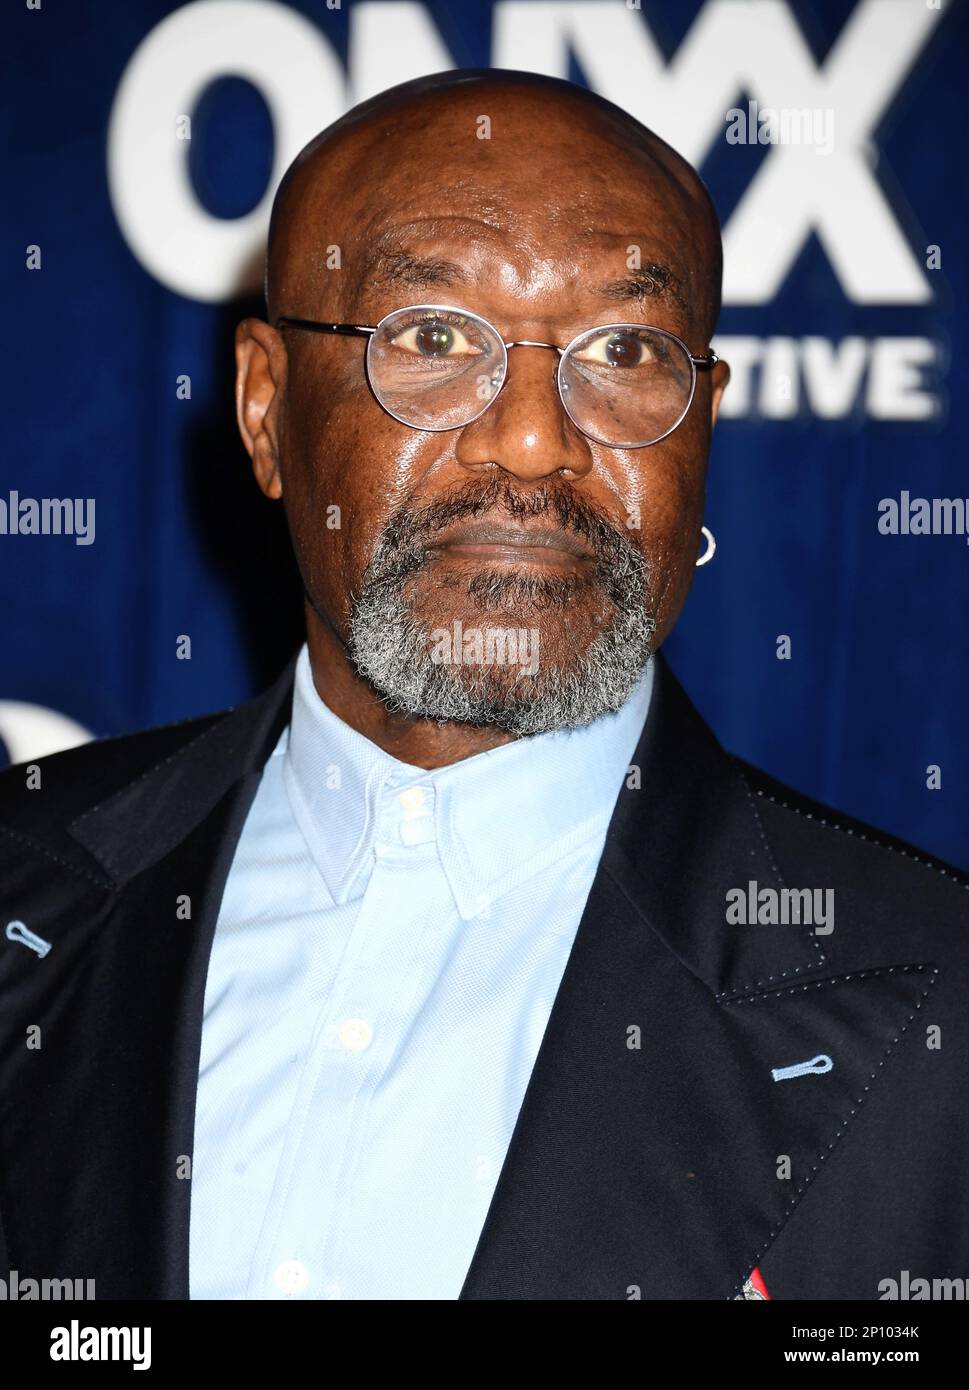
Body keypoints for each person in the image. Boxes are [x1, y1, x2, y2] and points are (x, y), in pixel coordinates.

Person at [0, 69, 966, 1302]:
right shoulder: (26, 891)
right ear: (263, 407)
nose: (532, 436)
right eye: (434, 337)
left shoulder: (936, 1006)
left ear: (704, 422)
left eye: (622, 348)